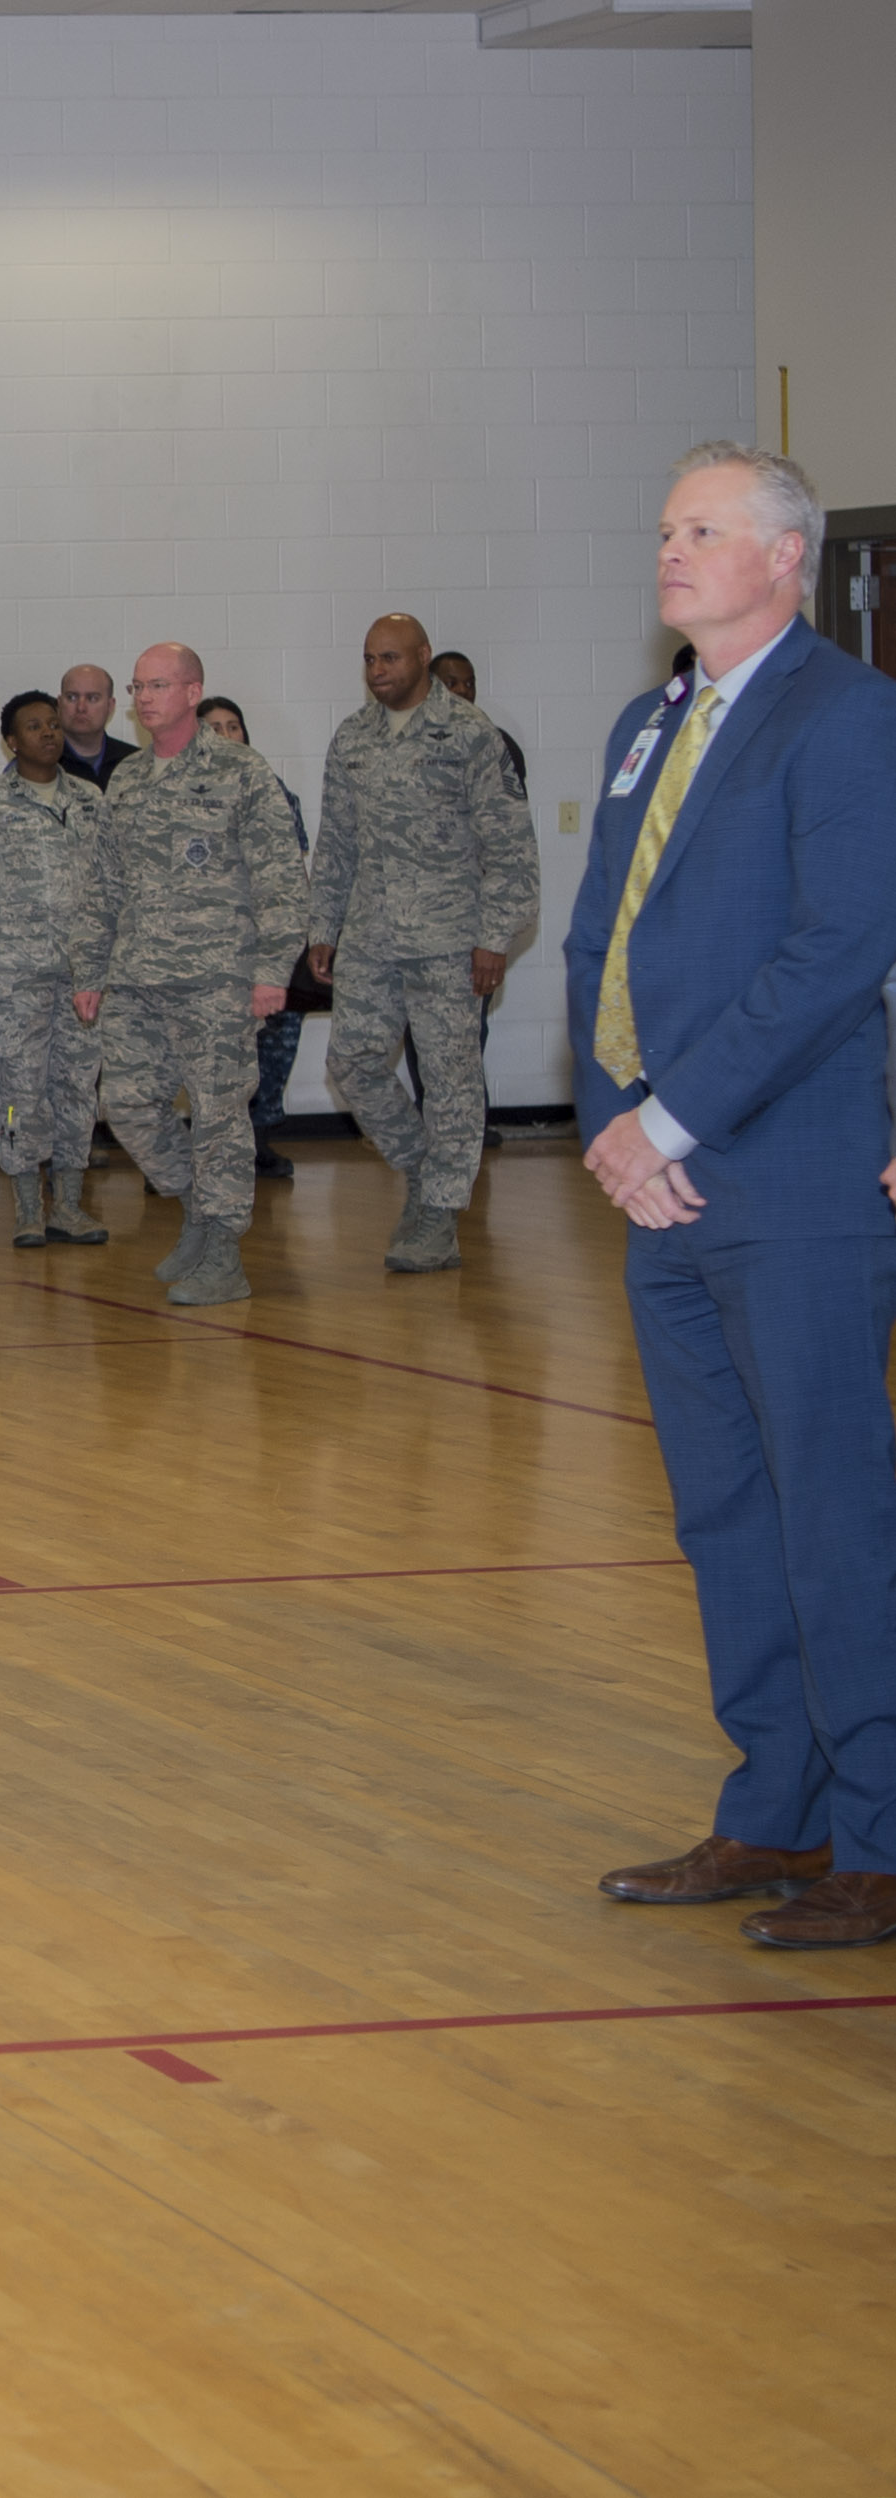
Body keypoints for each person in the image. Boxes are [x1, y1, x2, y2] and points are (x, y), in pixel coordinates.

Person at [580, 441, 896, 1950]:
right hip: (660, 1189)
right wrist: (607, 1125)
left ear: (785, 557)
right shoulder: (651, 722)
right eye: (663, 530)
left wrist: (678, 1115)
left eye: (701, 529)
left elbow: (834, 954)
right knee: (722, 1513)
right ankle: (774, 1806)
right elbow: (602, 938)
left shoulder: (844, 717)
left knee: (832, 1511)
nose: (670, 551)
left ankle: (880, 1833)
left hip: (791, 1176)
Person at [78, 646, 310, 1306]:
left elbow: (280, 877)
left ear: (192, 692)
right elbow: (103, 884)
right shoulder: (126, 780)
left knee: (218, 1116)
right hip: (137, 976)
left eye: (158, 685)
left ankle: (226, 1254)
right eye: (138, 686)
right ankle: (199, 1215)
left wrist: (271, 969)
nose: (144, 697)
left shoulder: (240, 771)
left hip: (218, 978)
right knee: (125, 1103)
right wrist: (89, 967)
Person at [309, 611, 537, 1274]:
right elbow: (337, 842)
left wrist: (495, 938)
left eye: (392, 658)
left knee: (451, 1082)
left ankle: (437, 1214)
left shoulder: (469, 734)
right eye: (370, 659)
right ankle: (424, 1167)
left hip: (450, 940)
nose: (379, 671)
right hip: (372, 936)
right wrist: (323, 926)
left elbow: (511, 849)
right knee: (351, 1063)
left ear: (424, 657)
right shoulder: (353, 738)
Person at [0, 690, 111, 1249]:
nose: (48, 733)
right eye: (33, 726)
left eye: (53, 723)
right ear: (11, 742)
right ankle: (26, 1207)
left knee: (76, 1088)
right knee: (20, 1090)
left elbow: (111, 888)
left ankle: (68, 1204)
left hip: (80, 979)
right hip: (12, 974)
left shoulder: (91, 800)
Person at [194, 694, 312, 1182]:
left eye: (234, 726)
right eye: (213, 728)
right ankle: (199, 1151)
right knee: (208, 1053)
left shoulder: (276, 792)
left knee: (274, 1046)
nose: (226, 735)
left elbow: (294, 871)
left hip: (269, 943)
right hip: (208, 945)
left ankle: (261, 1140)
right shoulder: (183, 791)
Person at [54, 663, 133, 785]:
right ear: (59, 703)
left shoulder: (134, 762)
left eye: (92, 698)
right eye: (72, 697)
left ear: (110, 706)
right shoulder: (42, 762)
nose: (81, 707)